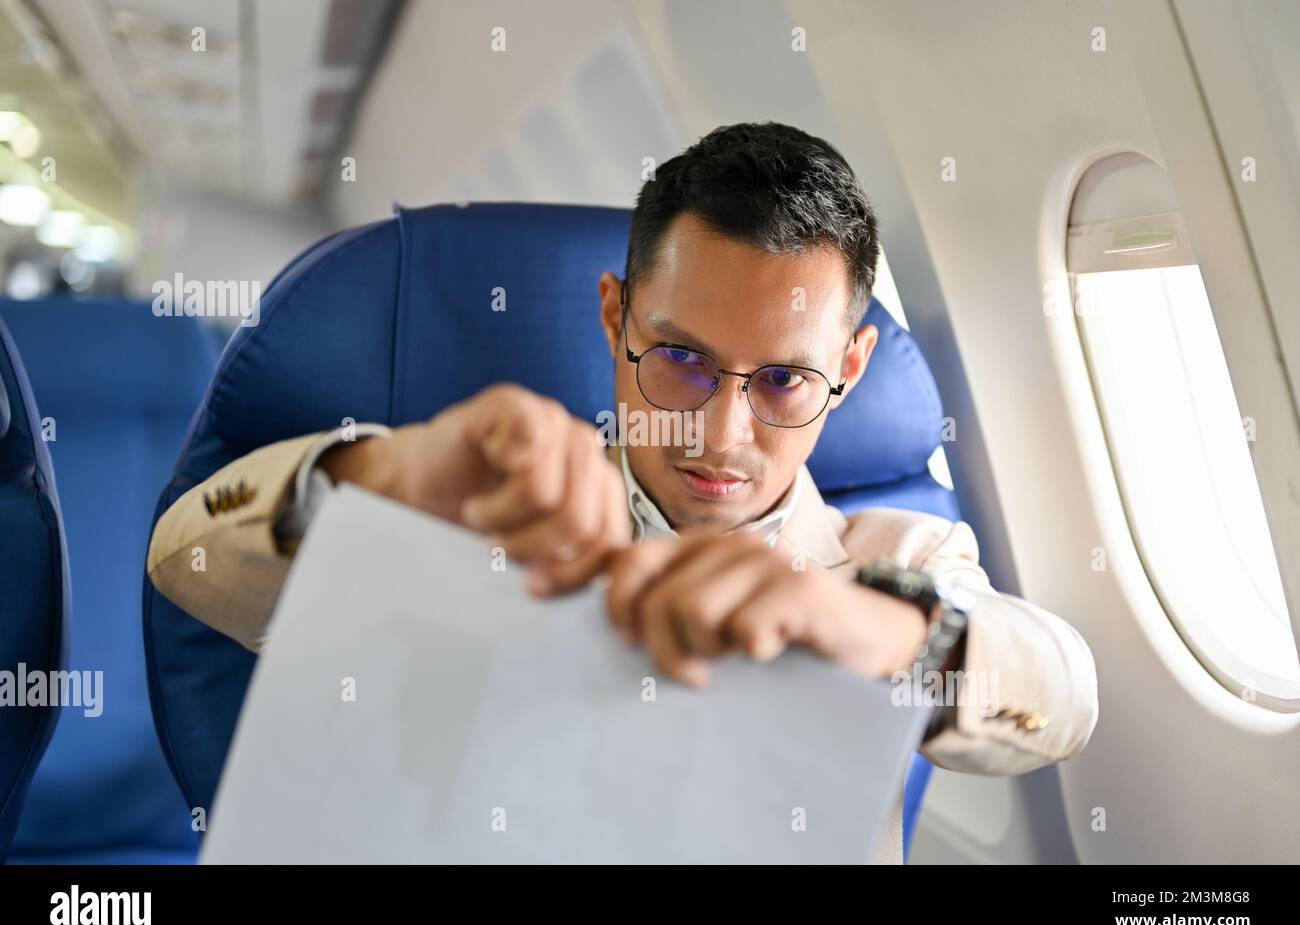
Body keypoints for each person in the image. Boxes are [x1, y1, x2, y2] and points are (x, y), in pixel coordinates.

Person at [147, 121, 1098, 863]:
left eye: (783, 380)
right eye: (681, 359)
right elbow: (186, 565)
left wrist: (890, 633)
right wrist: (365, 484)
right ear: (615, 318)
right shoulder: (475, 499)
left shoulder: (897, 561)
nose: (721, 435)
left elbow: (1062, 695)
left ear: (849, 367)